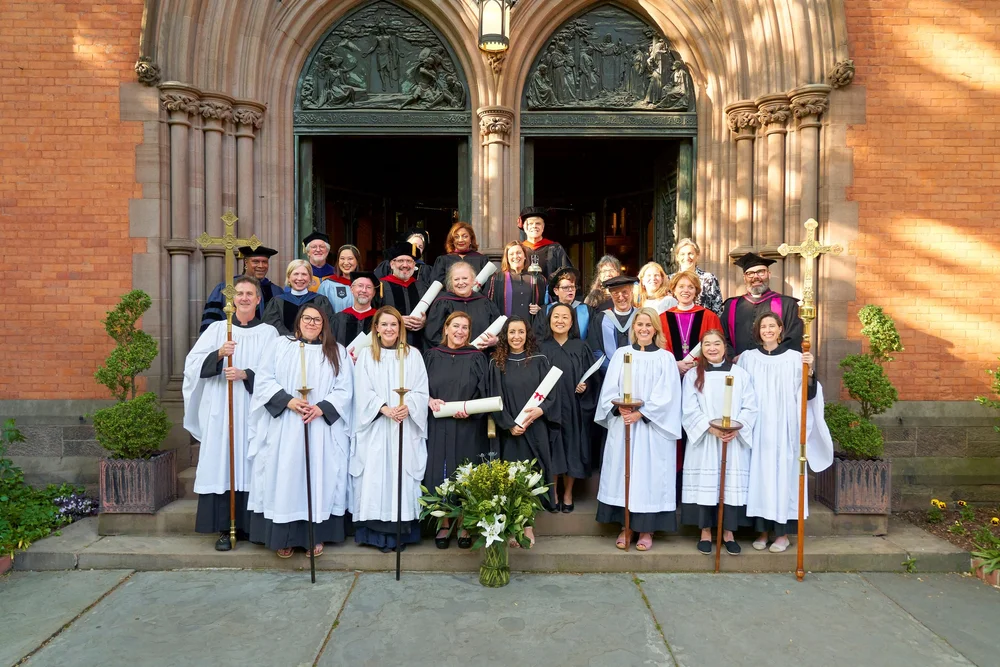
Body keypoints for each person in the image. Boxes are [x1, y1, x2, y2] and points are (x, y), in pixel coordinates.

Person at [247, 305, 353, 558]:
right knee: (286, 477)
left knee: (319, 478)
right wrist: (289, 401)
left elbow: (345, 389)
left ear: (324, 325)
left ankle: (315, 537)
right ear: (298, 322)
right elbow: (263, 379)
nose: (312, 323)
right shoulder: (279, 346)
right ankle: (284, 536)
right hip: (286, 425)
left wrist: (321, 408)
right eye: (307, 318)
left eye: (318, 320)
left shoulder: (337, 352)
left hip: (320, 429)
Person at [183, 276, 279, 551]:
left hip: (254, 408)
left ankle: (254, 526)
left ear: (259, 300)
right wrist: (217, 354)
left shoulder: (269, 333)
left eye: (250, 293)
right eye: (240, 293)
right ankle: (226, 528)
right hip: (222, 409)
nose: (245, 298)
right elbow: (192, 366)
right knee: (224, 461)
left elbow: (279, 373)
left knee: (253, 460)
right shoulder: (216, 330)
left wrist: (246, 374)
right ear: (232, 299)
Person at [737, 311, 833, 553]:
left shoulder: (795, 358)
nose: (767, 330)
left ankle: (782, 534)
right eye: (763, 327)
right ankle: (762, 531)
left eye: (772, 326)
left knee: (783, 477)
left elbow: (808, 394)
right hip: (758, 427)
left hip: (784, 427)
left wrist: (809, 371)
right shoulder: (748, 358)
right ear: (758, 332)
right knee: (760, 478)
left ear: (781, 329)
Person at [595, 307, 682, 552]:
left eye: (648, 325)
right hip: (624, 426)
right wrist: (620, 409)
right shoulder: (622, 354)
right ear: (633, 328)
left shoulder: (665, 358)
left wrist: (640, 413)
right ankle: (626, 527)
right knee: (625, 474)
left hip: (652, 430)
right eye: (639, 324)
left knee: (649, 477)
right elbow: (609, 390)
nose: (643, 329)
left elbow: (669, 395)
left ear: (656, 329)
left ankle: (647, 529)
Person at [350, 306, 430, 553]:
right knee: (375, 476)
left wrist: (409, 407)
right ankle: (374, 533)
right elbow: (361, 390)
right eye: (384, 324)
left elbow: (420, 389)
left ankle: (401, 532)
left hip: (404, 426)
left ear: (400, 328)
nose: (389, 329)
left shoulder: (412, 355)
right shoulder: (366, 356)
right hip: (377, 427)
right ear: (375, 328)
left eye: (393, 325)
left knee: (401, 475)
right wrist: (384, 409)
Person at [485, 317, 563, 545]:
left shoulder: (539, 360)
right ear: (505, 335)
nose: (516, 336)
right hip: (509, 431)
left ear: (527, 334)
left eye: (521, 332)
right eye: (511, 332)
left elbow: (551, 396)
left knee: (532, 479)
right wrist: (509, 424)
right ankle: (512, 526)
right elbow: (494, 398)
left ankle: (528, 526)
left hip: (535, 429)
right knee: (510, 479)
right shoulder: (496, 363)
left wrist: (540, 411)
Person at [680, 329, 757, 556]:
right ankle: (705, 532)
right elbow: (688, 408)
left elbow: (750, 407)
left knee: (729, 485)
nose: (712, 348)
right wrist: (710, 428)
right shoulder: (694, 375)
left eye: (716, 344)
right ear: (701, 349)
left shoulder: (740, 374)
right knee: (707, 483)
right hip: (704, 441)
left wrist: (736, 427)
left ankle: (728, 533)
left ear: (725, 347)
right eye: (707, 345)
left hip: (732, 440)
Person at [425, 311, 489, 549]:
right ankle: (444, 524)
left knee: (464, 471)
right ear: (446, 328)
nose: (460, 331)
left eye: (464, 327)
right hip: (438, 424)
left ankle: (464, 524)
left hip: (467, 425)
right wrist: (429, 399)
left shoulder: (476, 357)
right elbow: (419, 386)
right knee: (441, 472)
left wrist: (470, 409)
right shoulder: (431, 355)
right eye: (455, 326)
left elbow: (484, 390)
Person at [539, 304, 598, 512]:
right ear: (549, 320)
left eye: (565, 317)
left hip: (574, 407)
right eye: (556, 317)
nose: (560, 321)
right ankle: (553, 492)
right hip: (548, 409)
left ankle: (568, 493)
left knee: (572, 449)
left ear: (572, 322)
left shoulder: (581, 347)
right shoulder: (541, 347)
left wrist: (586, 386)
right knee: (553, 450)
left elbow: (593, 378)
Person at [721, 252, 803, 358]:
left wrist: (771, 358)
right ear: (744, 277)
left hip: (775, 365)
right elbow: (722, 337)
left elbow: (793, 338)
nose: (755, 277)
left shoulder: (787, 304)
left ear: (769, 274)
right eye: (750, 273)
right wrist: (732, 358)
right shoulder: (732, 305)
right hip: (738, 366)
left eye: (760, 272)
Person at [200, 245, 282, 333]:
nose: (261, 266)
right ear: (246, 263)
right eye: (256, 261)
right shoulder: (227, 288)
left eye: (264, 262)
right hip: (232, 342)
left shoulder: (276, 291)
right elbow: (210, 324)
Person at [425, 261, 502, 349]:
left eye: (465, 278)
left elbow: (499, 331)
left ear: (473, 280)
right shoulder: (443, 303)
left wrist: (495, 340)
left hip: (480, 357)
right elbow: (432, 335)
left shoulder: (485, 303)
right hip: (451, 357)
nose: (461, 283)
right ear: (451, 282)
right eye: (456, 279)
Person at [661, 271, 724, 374]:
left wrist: (694, 365)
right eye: (681, 286)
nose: (686, 290)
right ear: (674, 290)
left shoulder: (709, 317)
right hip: (671, 372)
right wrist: (675, 364)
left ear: (696, 291)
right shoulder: (662, 318)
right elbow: (660, 347)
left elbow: (717, 346)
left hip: (702, 373)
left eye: (691, 287)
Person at [262, 260, 335, 336]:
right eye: (296, 274)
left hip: (313, 345)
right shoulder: (277, 302)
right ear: (289, 277)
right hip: (284, 344)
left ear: (310, 278)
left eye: (304, 274)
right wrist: (292, 338)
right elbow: (272, 326)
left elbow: (327, 326)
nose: (300, 278)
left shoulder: (321, 301)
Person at [378, 242, 428, 348]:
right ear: (392, 264)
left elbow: (433, 315)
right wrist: (396, 320)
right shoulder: (380, 287)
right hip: (388, 346)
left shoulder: (422, 287)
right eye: (400, 261)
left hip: (417, 345)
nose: (405, 265)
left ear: (414, 265)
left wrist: (425, 322)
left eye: (409, 261)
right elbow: (374, 315)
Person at [586, 275, 639, 373]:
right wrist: (612, 370)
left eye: (625, 292)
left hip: (638, 373)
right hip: (609, 375)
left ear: (631, 292)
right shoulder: (600, 318)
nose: (621, 297)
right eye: (615, 293)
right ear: (610, 295)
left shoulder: (641, 316)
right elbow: (595, 350)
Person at [485, 240, 545, 322]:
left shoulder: (538, 279)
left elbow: (547, 304)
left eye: (518, 253)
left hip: (531, 329)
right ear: (507, 258)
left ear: (525, 256)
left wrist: (540, 310)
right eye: (511, 254)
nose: (515, 256)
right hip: (505, 330)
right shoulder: (497, 279)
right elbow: (489, 307)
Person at [331, 271, 378, 355]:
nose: (364, 290)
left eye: (369, 287)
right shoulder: (339, 318)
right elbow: (330, 345)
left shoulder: (379, 318)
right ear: (351, 289)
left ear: (374, 293)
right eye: (360, 286)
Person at [427, 221, 489, 286]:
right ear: (452, 240)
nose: (460, 240)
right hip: (449, 296)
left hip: (476, 296)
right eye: (456, 237)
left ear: (471, 239)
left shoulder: (481, 259)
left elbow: (487, 287)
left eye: (465, 236)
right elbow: (436, 285)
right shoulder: (443, 260)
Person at [670, 238, 723, 314]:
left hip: (704, 323)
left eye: (690, 253)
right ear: (677, 257)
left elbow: (718, 308)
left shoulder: (709, 279)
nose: (687, 257)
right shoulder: (670, 280)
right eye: (682, 254)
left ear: (697, 256)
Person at [539, 266, 593, 341]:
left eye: (572, 287)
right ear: (556, 291)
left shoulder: (586, 310)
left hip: (580, 351)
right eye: (566, 287)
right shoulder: (545, 311)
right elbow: (539, 337)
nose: (570, 290)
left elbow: (593, 338)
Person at [518, 206, 572, 280]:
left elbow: (567, 274)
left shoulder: (555, 248)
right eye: (530, 223)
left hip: (549, 291)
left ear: (543, 227)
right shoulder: (518, 250)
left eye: (538, 223)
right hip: (523, 291)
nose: (534, 226)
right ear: (523, 226)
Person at [317, 244, 363, 313]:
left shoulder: (366, 285)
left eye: (350, 259)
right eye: (342, 258)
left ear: (357, 261)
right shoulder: (327, 285)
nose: (346, 263)